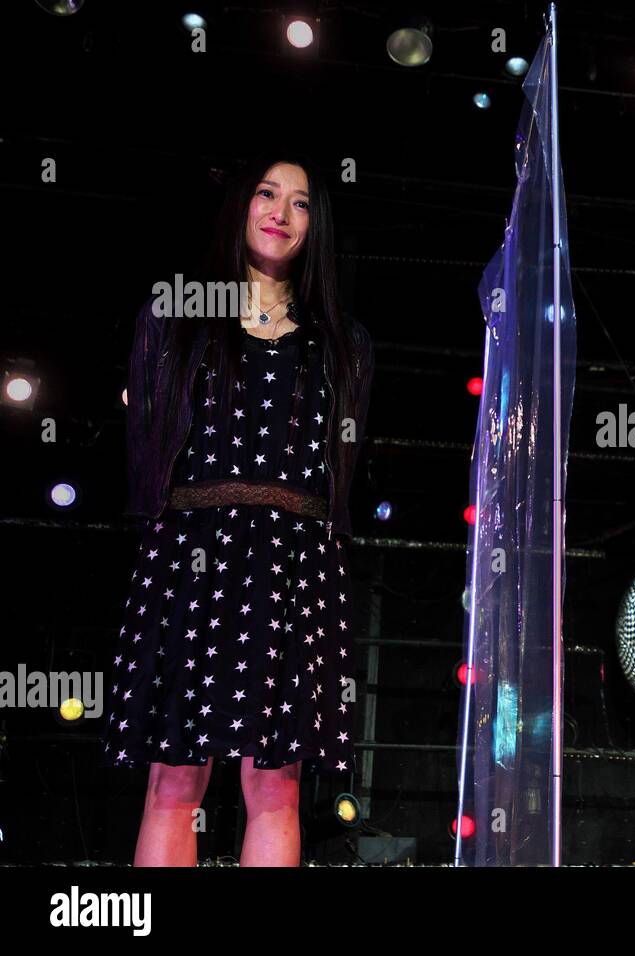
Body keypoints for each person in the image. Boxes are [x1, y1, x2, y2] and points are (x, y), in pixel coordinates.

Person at [101, 153, 375, 866]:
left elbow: (338, 470)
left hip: (294, 564)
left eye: (302, 202)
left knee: (276, 783)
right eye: (266, 193)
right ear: (241, 207)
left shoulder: (342, 341)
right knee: (174, 777)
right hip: (193, 554)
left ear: (317, 226)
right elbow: (145, 448)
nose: (281, 211)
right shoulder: (177, 314)